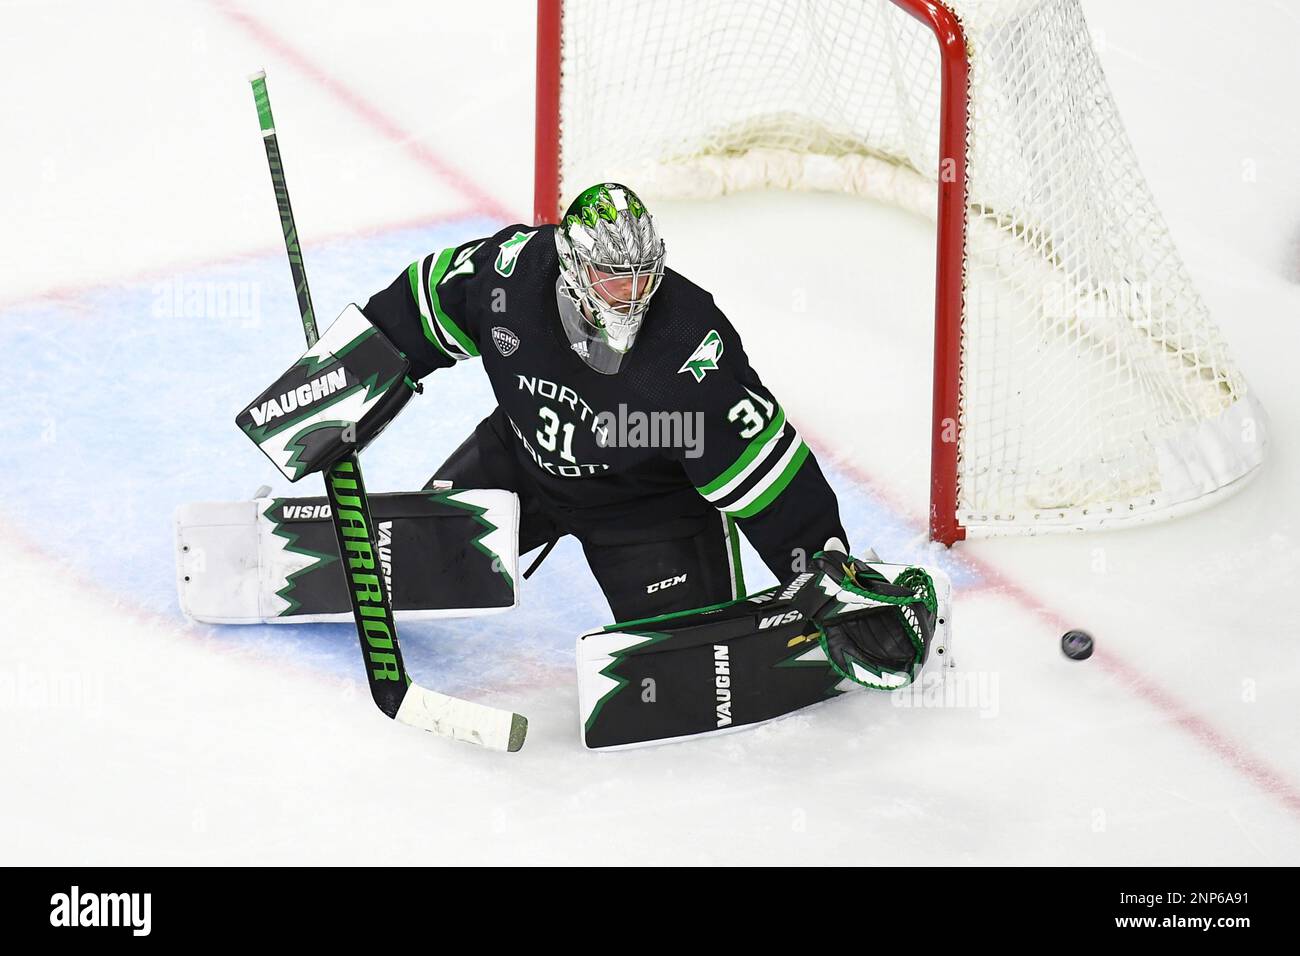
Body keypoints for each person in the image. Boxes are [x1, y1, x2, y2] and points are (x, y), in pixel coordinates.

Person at [361, 183, 848, 621]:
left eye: (642, 276)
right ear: (572, 267)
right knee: (404, 560)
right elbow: (422, 304)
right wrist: (346, 381)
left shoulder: (688, 345)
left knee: (676, 665)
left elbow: (772, 480)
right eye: (613, 277)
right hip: (521, 464)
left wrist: (829, 584)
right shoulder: (514, 278)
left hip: (643, 511)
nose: (632, 294)